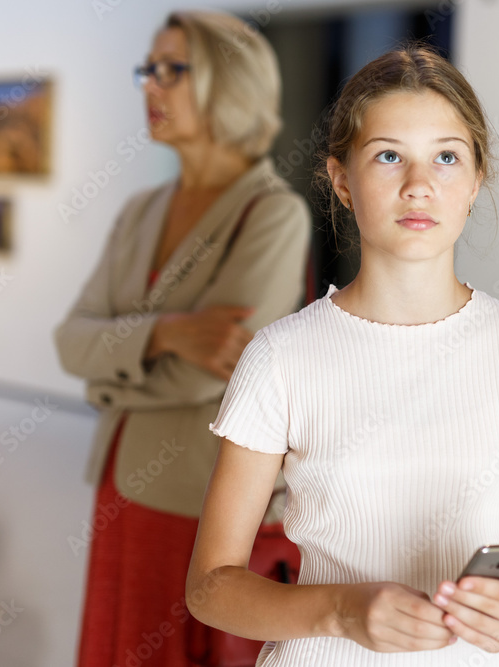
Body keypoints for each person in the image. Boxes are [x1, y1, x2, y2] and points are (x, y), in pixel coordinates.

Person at [184, 42, 499, 667]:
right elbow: (211, 587)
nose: (419, 186)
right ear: (342, 181)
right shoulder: (281, 357)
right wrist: (340, 611)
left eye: (446, 158)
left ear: (475, 181)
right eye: (389, 156)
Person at [53, 11, 311, 667]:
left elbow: (212, 370)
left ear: (231, 82)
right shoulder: (140, 210)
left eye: (172, 70)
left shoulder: (272, 213)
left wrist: (109, 374)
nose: (151, 85)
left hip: (200, 499)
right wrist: (167, 333)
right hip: (120, 485)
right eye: (149, 69)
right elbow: (69, 339)